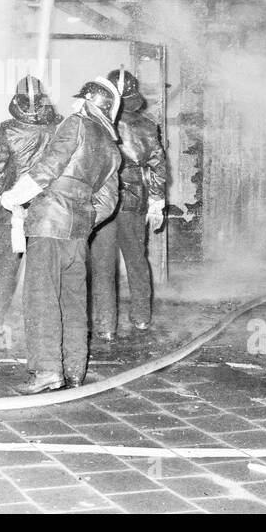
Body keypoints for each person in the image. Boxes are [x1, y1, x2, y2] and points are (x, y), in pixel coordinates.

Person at [0, 77, 121, 394]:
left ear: (89, 104)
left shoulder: (76, 124)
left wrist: (14, 196)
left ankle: (46, 372)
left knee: (41, 299)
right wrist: (81, 219)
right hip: (78, 234)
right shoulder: (111, 149)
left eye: (80, 99)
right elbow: (107, 203)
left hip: (48, 227)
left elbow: (49, 167)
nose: (74, 104)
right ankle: (74, 370)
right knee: (73, 302)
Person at [0, 76, 58, 350]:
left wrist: (10, 196)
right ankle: (40, 334)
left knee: (3, 269)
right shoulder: (58, 126)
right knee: (42, 273)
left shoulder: (8, 129)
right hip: (47, 210)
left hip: (13, 209)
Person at [90, 68, 169, 340]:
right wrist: (157, 203)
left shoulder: (97, 123)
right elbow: (158, 166)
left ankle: (105, 325)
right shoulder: (147, 126)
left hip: (101, 200)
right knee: (136, 261)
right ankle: (141, 319)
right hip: (134, 201)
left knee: (102, 265)